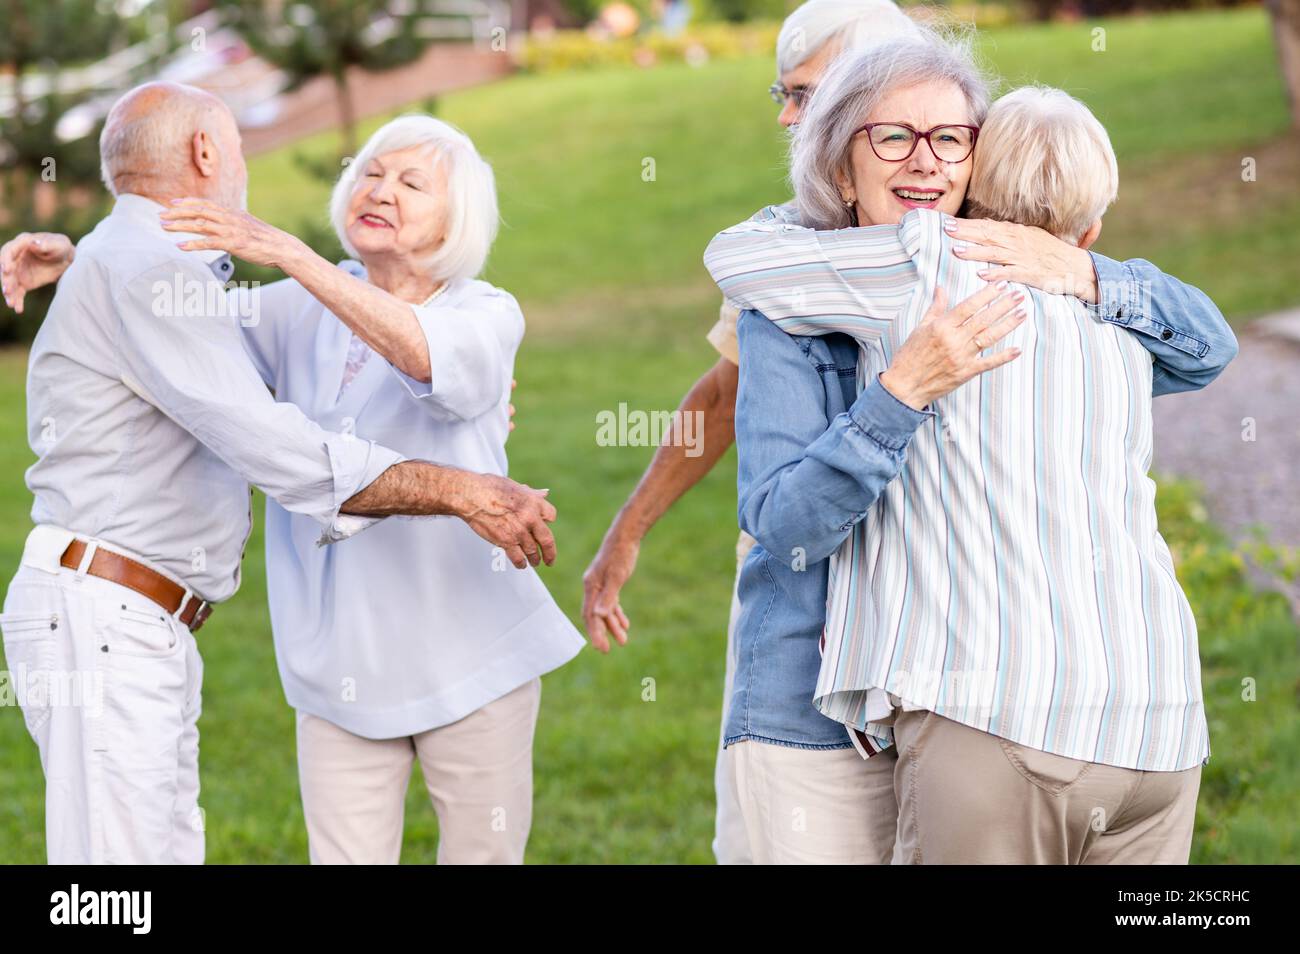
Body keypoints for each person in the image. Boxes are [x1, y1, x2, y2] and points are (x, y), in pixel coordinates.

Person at [706, 36, 1237, 863]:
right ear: (839, 168)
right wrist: (900, 395)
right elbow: (788, 527)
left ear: (978, 165)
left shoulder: (966, 267)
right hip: (827, 712)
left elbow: (1209, 342)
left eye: (951, 138)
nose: (925, 160)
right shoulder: (831, 292)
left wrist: (1081, 268)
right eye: (893, 136)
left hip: (981, 707)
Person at [0, 84, 558, 865]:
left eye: (410, 182)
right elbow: (166, 318)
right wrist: (90, 261)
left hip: (467, 645)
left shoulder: (485, 311)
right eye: (370, 171)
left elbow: (433, 358)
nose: (379, 189)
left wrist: (115, 258)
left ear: (457, 217)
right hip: (335, 663)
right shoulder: (292, 310)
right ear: (206, 153)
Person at [581, 0, 920, 867]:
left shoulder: (984, 235)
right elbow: (724, 395)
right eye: (783, 91)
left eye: (804, 93)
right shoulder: (776, 247)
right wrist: (628, 530)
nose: (782, 115)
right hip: (797, 647)